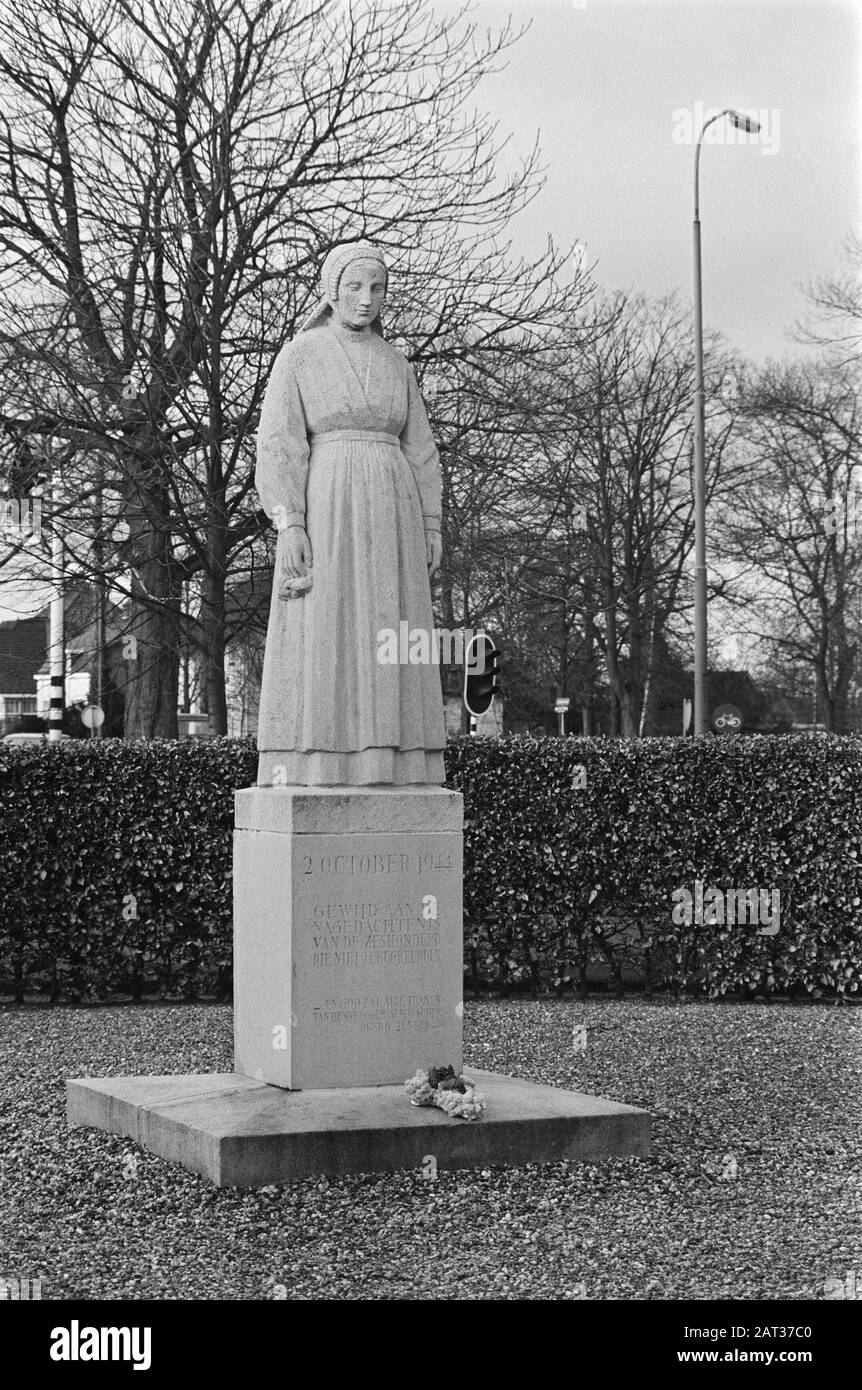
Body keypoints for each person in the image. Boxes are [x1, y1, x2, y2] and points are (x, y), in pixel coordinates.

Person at [254, 240, 446, 786]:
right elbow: (280, 442)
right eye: (355, 287)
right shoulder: (301, 354)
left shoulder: (396, 363)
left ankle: (396, 761)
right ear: (332, 291)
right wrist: (289, 520)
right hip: (330, 500)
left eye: (377, 288)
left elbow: (422, 450)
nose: (367, 299)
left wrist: (431, 523)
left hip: (396, 510)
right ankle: (318, 760)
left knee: (393, 623)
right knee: (328, 621)